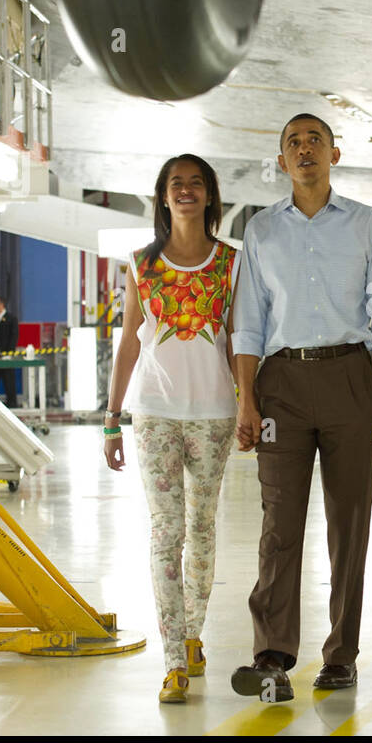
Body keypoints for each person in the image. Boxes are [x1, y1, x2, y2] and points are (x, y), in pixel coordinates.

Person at [230, 113, 372, 702]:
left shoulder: (365, 223)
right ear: (281, 161)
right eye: (293, 143)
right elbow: (248, 322)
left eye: (315, 141)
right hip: (280, 383)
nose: (304, 149)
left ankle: (341, 654)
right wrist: (247, 398)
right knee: (280, 522)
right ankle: (273, 654)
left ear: (335, 153)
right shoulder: (262, 231)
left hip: (350, 376)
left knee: (348, 523)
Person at [103, 153, 240, 704]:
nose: (185, 191)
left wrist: (251, 404)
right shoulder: (140, 263)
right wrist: (112, 420)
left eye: (195, 183)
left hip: (213, 416)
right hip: (154, 414)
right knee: (166, 533)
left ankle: (192, 634)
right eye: (175, 183)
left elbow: (238, 340)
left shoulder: (231, 263)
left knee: (201, 530)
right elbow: (130, 341)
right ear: (163, 196)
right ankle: (173, 660)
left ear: (209, 196)